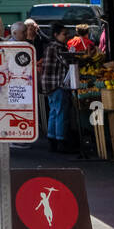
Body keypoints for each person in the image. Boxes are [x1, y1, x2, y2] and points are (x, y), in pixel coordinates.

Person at [40, 24, 71, 152]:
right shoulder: (58, 48)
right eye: (64, 34)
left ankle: (52, 139)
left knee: (53, 112)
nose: (67, 36)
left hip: (48, 85)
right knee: (61, 113)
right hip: (57, 84)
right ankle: (61, 142)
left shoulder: (50, 47)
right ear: (56, 35)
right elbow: (67, 63)